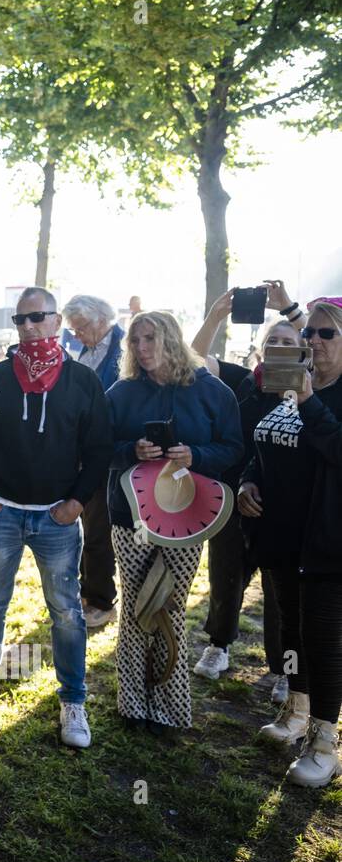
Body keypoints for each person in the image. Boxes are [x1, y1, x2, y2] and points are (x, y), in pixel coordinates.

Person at [0, 287, 111, 748]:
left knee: (66, 612)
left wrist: (77, 503)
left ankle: (73, 700)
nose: (28, 327)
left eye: (37, 318)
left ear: (57, 321)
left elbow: (99, 449)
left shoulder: (83, 381)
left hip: (56, 519)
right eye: (20, 320)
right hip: (0, 513)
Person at [105, 311, 241, 732]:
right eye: (135, 341)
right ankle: (133, 704)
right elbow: (97, 447)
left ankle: (169, 706)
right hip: (130, 516)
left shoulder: (211, 391)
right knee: (134, 608)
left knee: (168, 606)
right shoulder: (121, 393)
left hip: (188, 516)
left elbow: (234, 448)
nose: (142, 349)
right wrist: (132, 452)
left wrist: (195, 456)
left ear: (171, 339)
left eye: (151, 339)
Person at [241, 298, 342, 786]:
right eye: (311, 335)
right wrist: (246, 483)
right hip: (280, 534)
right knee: (291, 632)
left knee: (324, 640)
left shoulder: (322, 395)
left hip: (327, 541)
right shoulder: (287, 388)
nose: (314, 342)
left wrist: (312, 403)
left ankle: (325, 739)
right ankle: (297, 711)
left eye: (326, 334)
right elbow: (263, 445)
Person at [190, 281, 304, 695]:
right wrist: (217, 314)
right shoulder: (242, 381)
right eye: (271, 339)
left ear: (302, 348)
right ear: (260, 347)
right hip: (233, 499)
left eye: (287, 340)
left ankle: (283, 669)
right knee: (225, 578)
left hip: (285, 506)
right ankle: (218, 645)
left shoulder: (310, 391)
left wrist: (292, 311)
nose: (278, 344)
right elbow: (194, 359)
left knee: (280, 595)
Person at [62, 294, 128, 630]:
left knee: (99, 530)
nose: (77, 334)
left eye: (82, 326)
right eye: (73, 329)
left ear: (103, 319)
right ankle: (87, 593)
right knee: (85, 528)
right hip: (81, 454)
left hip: (107, 454)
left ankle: (101, 601)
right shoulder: (88, 350)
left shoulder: (124, 348)